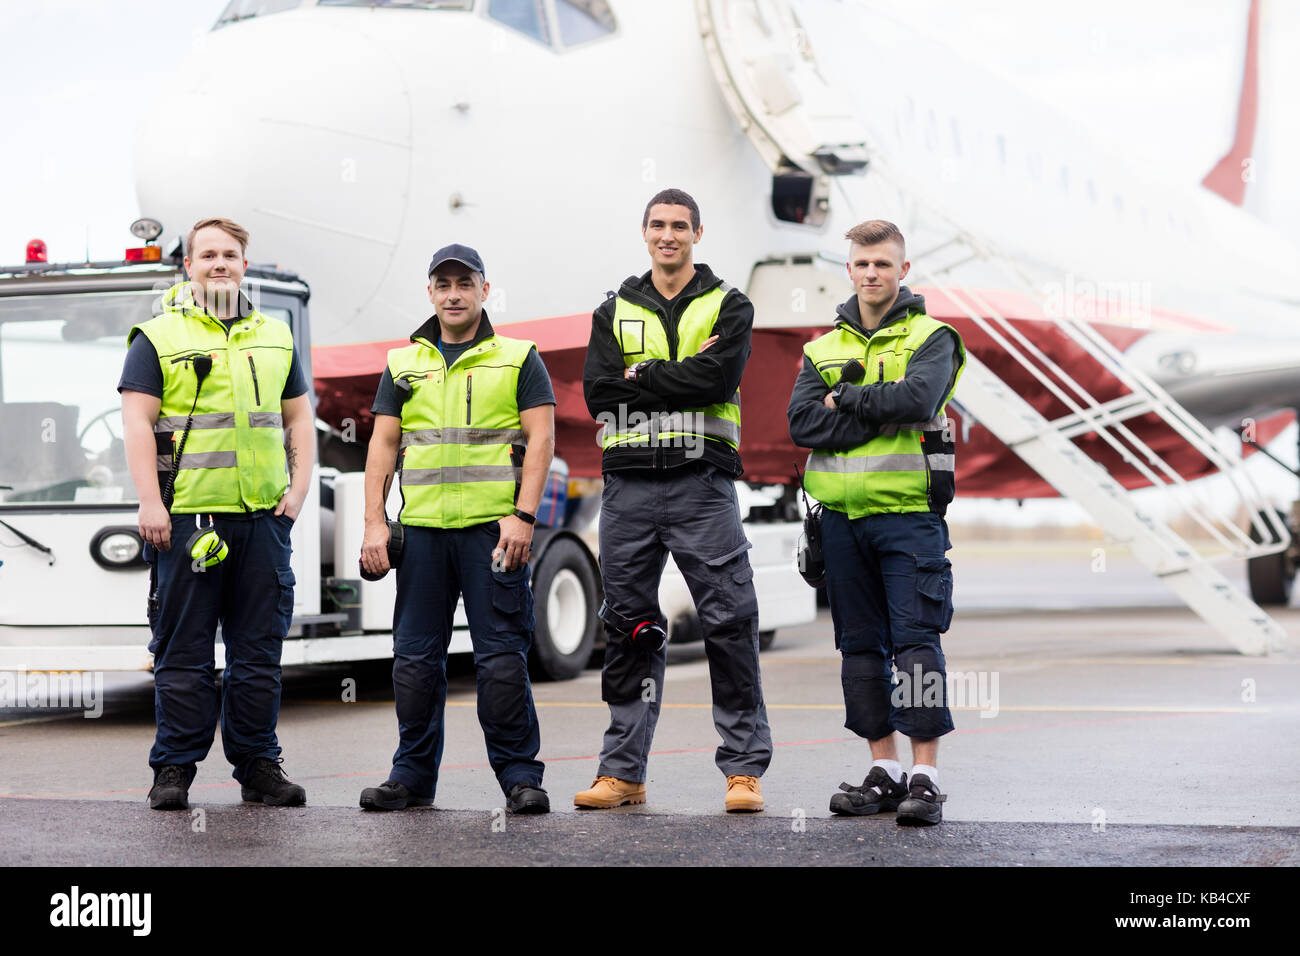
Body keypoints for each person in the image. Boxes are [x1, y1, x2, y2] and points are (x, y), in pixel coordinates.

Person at [575, 188, 771, 814]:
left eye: (679, 226)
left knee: (729, 622)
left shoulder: (728, 304)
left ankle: (742, 772)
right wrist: (674, 375)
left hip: (702, 485)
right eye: (658, 225)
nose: (668, 236)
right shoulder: (614, 311)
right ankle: (621, 773)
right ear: (644, 232)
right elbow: (599, 396)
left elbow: (718, 379)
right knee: (628, 629)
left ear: (697, 233)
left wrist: (642, 377)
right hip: (628, 489)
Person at [120, 217, 316, 810]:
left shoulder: (275, 336)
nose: (219, 264)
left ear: (244, 265)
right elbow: (136, 422)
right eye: (207, 255)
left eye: (229, 255)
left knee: (258, 653)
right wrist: (151, 502)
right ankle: (174, 769)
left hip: (261, 521)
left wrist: (298, 492)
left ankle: (258, 765)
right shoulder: (156, 337)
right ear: (189, 266)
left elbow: (298, 418)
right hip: (188, 521)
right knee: (184, 652)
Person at [358, 243, 555, 814]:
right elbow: (384, 446)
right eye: (443, 285)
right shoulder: (403, 363)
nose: (453, 294)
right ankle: (412, 778)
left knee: (500, 662)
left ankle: (520, 777)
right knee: (415, 664)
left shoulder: (519, 358)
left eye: (464, 284)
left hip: (492, 537)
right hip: (420, 535)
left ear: (483, 291)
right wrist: (375, 523)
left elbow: (541, 441)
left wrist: (523, 517)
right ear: (430, 293)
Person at [787, 219, 966, 826]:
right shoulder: (822, 348)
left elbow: (918, 402)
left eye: (883, 265)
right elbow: (803, 426)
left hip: (908, 519)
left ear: (903, 271)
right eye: (862, 265)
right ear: (849, 270)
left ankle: (927, 776)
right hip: (839, 521)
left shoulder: (933, 337)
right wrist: (871, 408)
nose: (872, 274)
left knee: (917, 647)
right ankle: (885, 771)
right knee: (859, 650)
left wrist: (846, 400)